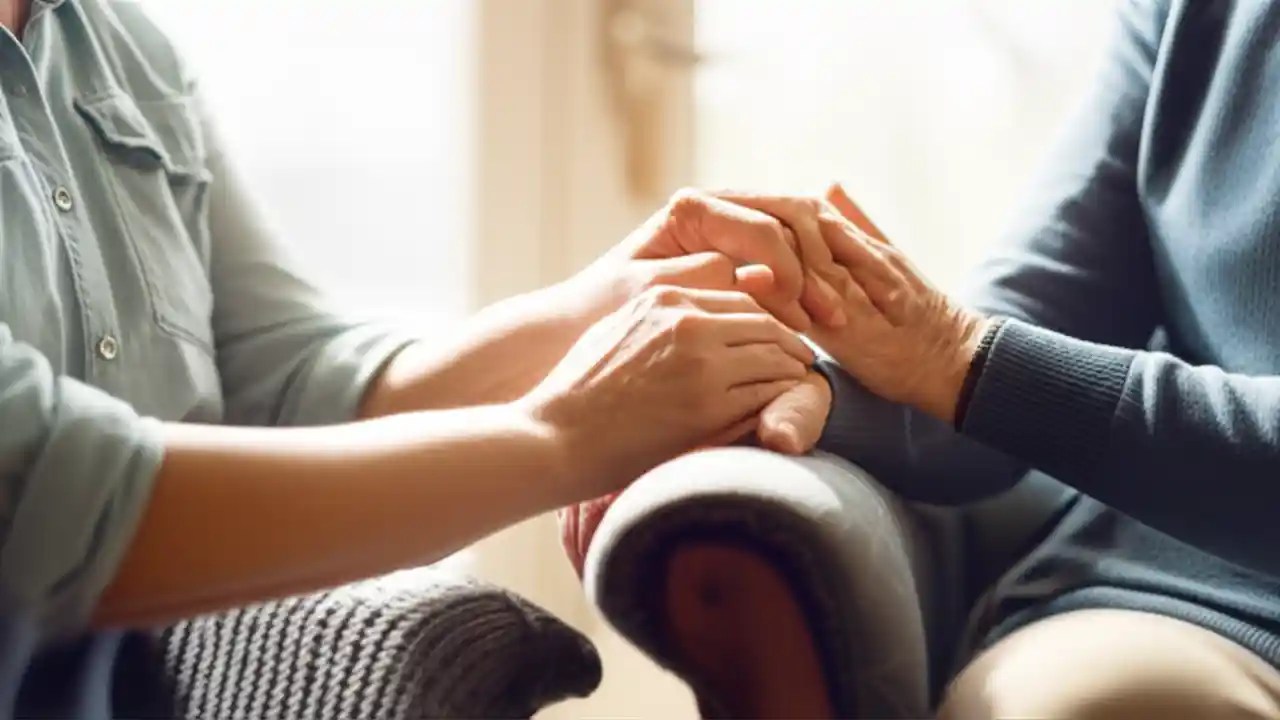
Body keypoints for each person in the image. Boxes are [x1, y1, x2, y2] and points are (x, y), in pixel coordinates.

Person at [0, 0, 866, 716]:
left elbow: (299, 391)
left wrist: (600, 309)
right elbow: (49, 490)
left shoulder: (116, 44)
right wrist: (563, 435)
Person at [626, 1, 1280, 717]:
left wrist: (955, 354)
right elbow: (1008, 346)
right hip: (1179, 614)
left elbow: (968, 358)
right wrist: (786, 388)